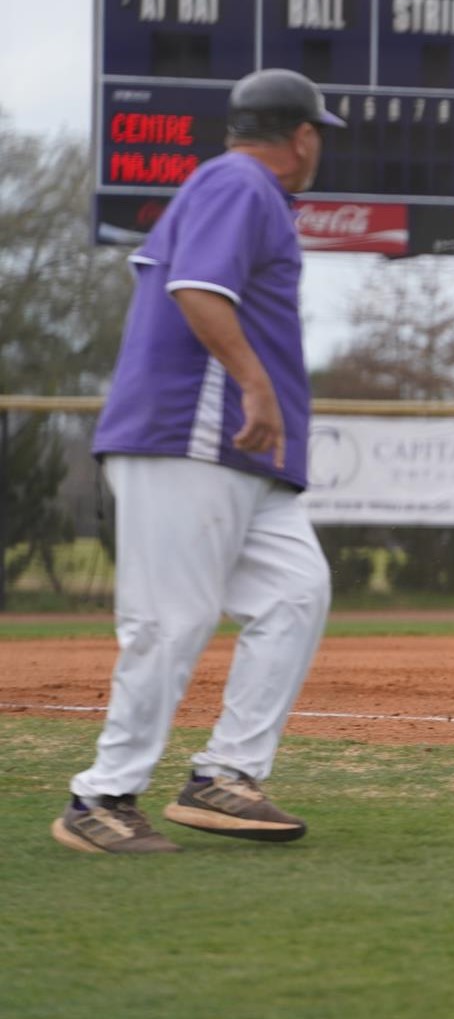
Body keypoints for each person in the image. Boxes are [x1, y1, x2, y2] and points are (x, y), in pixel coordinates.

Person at [52, 69, 346, 854]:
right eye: (320, 135)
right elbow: (197, 288)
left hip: (236, 452)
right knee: (170, 620)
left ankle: (224, 777)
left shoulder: (230, 186)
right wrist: (254, 387)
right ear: (303, 136)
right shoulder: (240, 182)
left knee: (295, 593)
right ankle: (101, 798)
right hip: (192, 431)